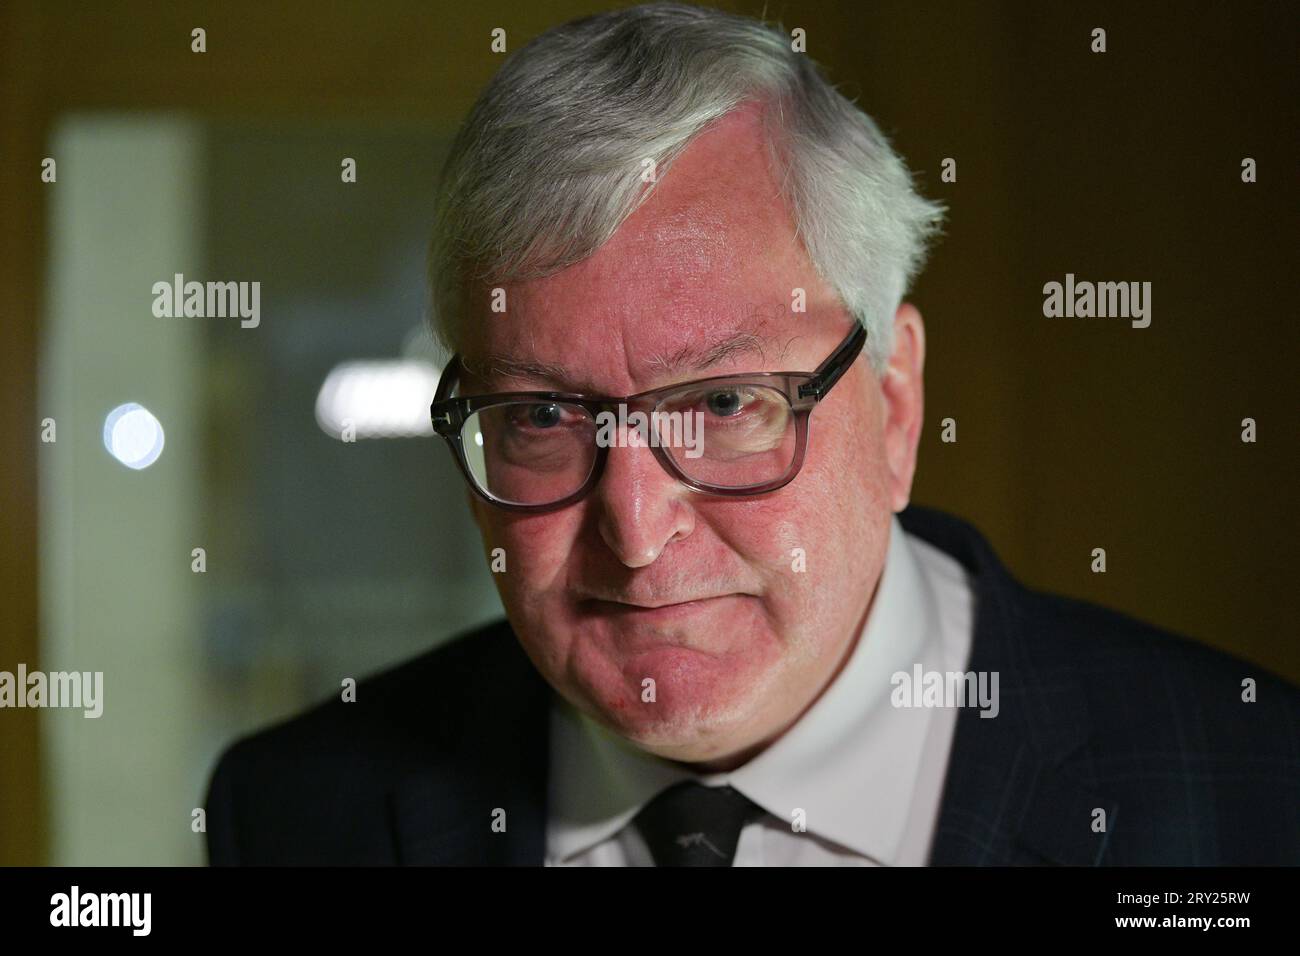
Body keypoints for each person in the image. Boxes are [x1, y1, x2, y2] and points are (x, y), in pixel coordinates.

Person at [205, 3, 1299, 866]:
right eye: (542, 414)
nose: (632, 532)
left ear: (898, 401)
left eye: (724, 404)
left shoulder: (1254, 790)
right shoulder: (300, 813)